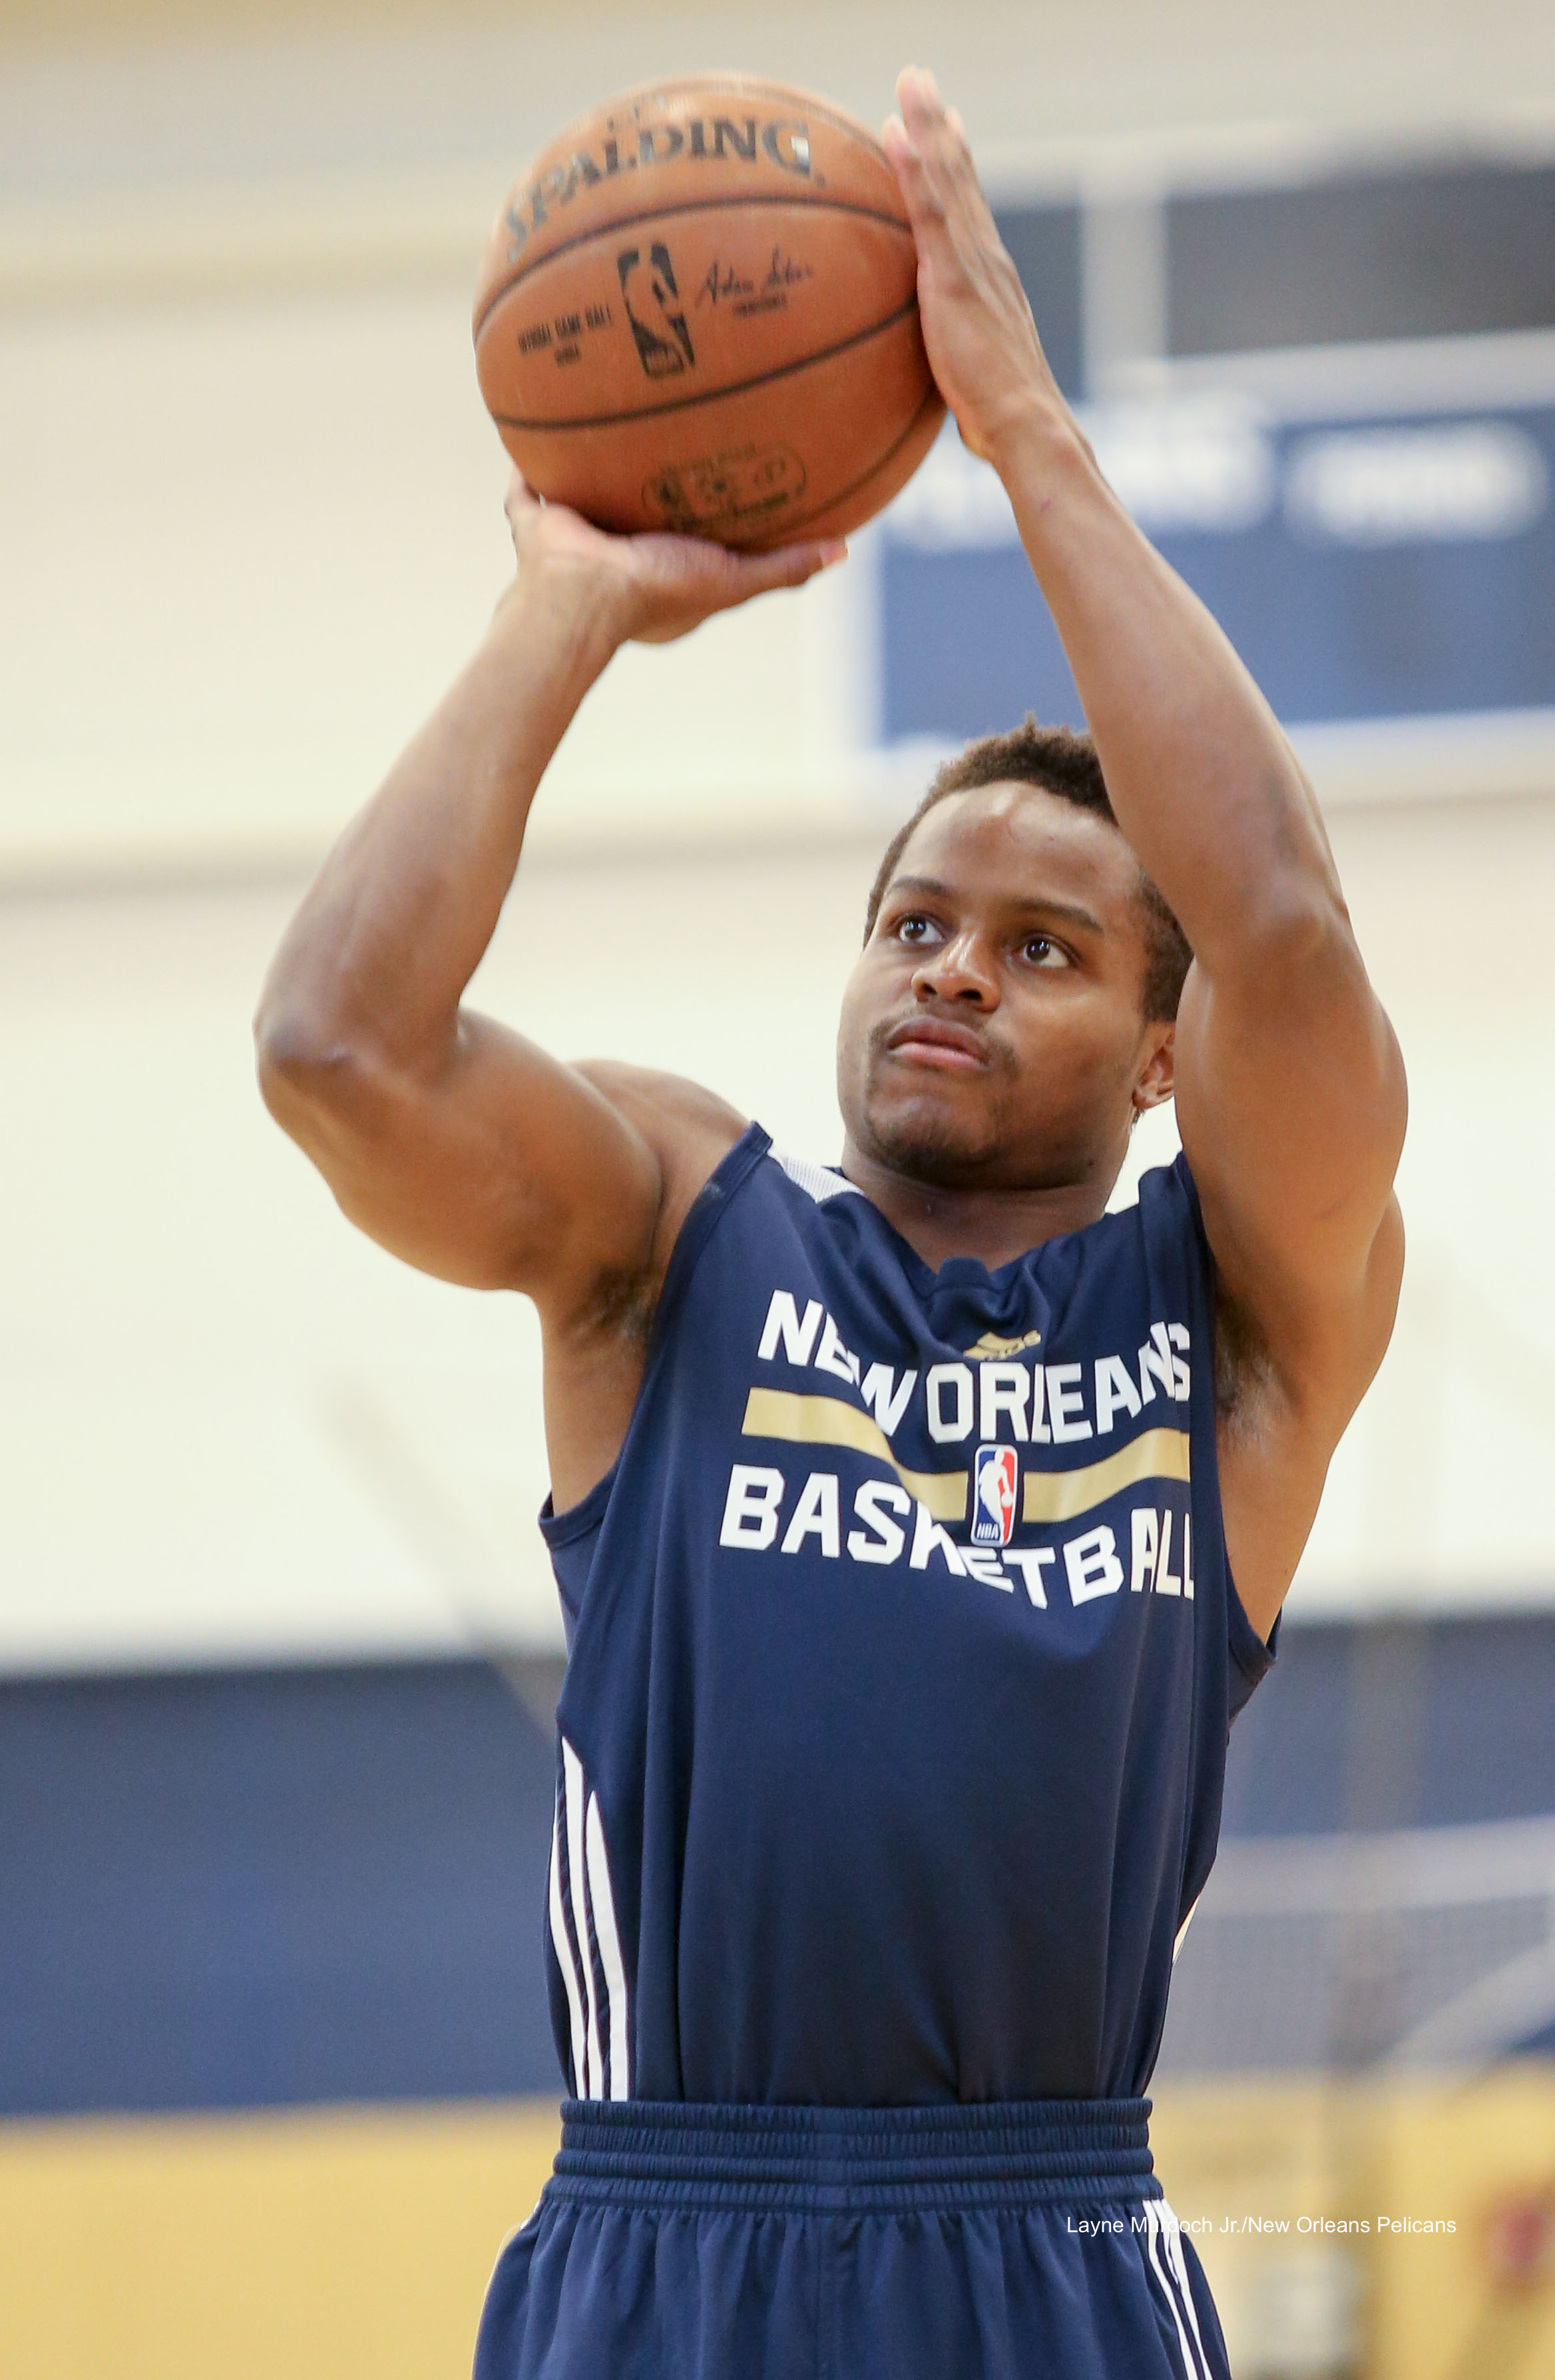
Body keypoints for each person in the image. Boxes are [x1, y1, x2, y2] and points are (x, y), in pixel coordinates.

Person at [255, 65, 1405, 2380]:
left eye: (1045, 947)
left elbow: (1280, 924)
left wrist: (1028, 442)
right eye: (916, 922)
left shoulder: (1234, 1320)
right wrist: (565, 612)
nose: (952, 968)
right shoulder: (678, 1226)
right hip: (664, 2247)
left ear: (1161, 1054)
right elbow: (336, 1051)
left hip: (1053, 2259)